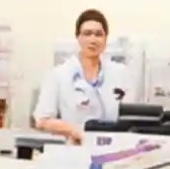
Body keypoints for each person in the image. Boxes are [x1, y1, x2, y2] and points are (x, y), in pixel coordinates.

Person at [33, 9, 129, 144]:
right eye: (87, 34)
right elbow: (42, 120)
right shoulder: (59, 75)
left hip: (113, 147)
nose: (93, 40)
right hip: (76, 147)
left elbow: (132, 115)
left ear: (105, 39)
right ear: (78, 37)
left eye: (98, 34)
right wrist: (73, 130)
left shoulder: (119, 73)